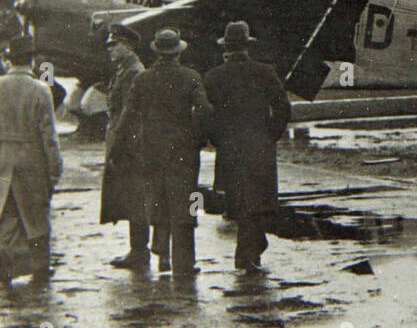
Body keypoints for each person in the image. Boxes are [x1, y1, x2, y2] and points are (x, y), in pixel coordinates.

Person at [114, 29, 211, 277]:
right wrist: (197, 138)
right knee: (187, 204)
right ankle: (184, 263)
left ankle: (161, 250)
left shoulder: (143, 79)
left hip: (151, 150)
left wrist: (119, 146)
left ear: (157, 51)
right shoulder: (190, 77)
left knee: (157, 200)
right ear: (178, 52)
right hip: (183, 152)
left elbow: (127, 115)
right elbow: (203, 110)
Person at [0, 36, 62, 282]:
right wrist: (54, 168)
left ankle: (3, 262)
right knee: (36, 213)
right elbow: (49, 136)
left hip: (3, 156)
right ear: (32, 61)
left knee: (5, 211)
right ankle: (41, 266)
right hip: (32, 158)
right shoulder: (41, 89)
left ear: (9, 60)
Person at [205, 21, 289, 274]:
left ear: (226, 48)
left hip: (230, 148)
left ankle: (249, 253)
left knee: (239, 203)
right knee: (257, 203)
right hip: (259, 146)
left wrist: (217, 138)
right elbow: (283, 107)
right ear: (247, 46)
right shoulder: (265, 71)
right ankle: (249, 255)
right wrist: (270, 135)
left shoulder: (213, 76)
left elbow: (207, 113)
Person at [98, 24, 151, 269]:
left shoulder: (134, 72)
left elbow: (132, 113)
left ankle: (139, 252)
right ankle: (137, 250)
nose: (110, 49)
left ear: (127, 46)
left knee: (135, 196)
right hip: (123, 140)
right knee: (130, 196)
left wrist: (119, 145)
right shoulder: (124, 70)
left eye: (114, 45)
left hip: (129, 143)